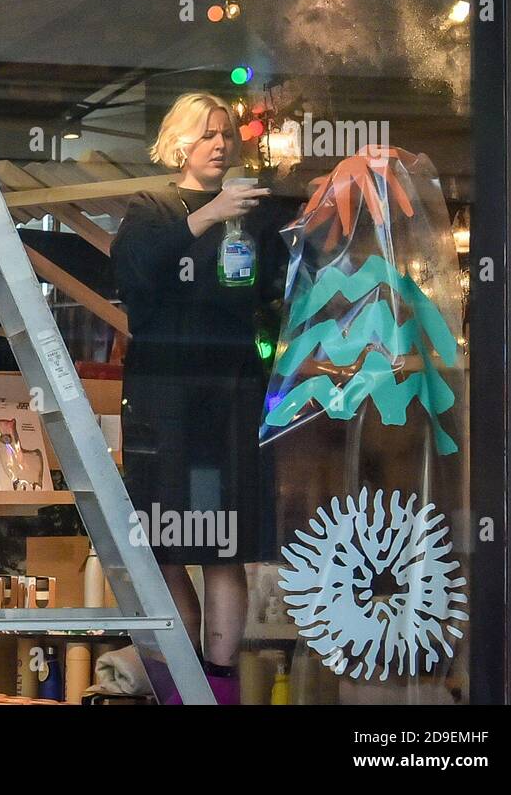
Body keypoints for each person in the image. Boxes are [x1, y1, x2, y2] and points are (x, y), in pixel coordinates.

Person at [110, 92, 292, 705]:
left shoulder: (254, 216)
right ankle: (180, 667)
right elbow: (134, 272)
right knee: (160, 540)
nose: (220, 144)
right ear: (180, 141)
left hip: (233, 396)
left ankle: (219, 682)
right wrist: (209, 214)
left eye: (228, 134)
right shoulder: (152, 205)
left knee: (225, 543)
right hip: (164, 400)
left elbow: (279, 291)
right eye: (207, 133)